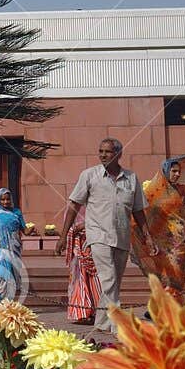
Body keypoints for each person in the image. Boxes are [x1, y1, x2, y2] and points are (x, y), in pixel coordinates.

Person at [57, 138, 156, 334]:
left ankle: (102, 323)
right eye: (100, 151)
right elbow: (74, 205)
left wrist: (148, 236)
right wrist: (63, 235)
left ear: (118, 154)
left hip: (121, 237)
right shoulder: (89, 175)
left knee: (113, 282)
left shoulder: (131, 178)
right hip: (97, 235)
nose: (103, 155)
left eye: (108, 152)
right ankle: (118, 323)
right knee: (108, 278)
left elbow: (138, 211)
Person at [132, 151, 185, 298]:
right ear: (165, 171)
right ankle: (162, 307)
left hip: (179, 243)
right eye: (174, 171)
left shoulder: (182, 189)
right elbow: (139, 211)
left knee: (176, 276)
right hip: (159, 242)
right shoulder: (152, 190)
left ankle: (172, 307)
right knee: (162, 276)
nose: (177, 174)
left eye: (179, 172)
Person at [63, 205, 101, 324]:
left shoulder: (99, 205)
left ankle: (97, 312)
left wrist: (85, 225)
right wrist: (73, 231)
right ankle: (82, 313)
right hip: (79, 247)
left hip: (96, 244)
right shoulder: (72, 208)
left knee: (96, 280)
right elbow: (68, 226)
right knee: (80, 279)